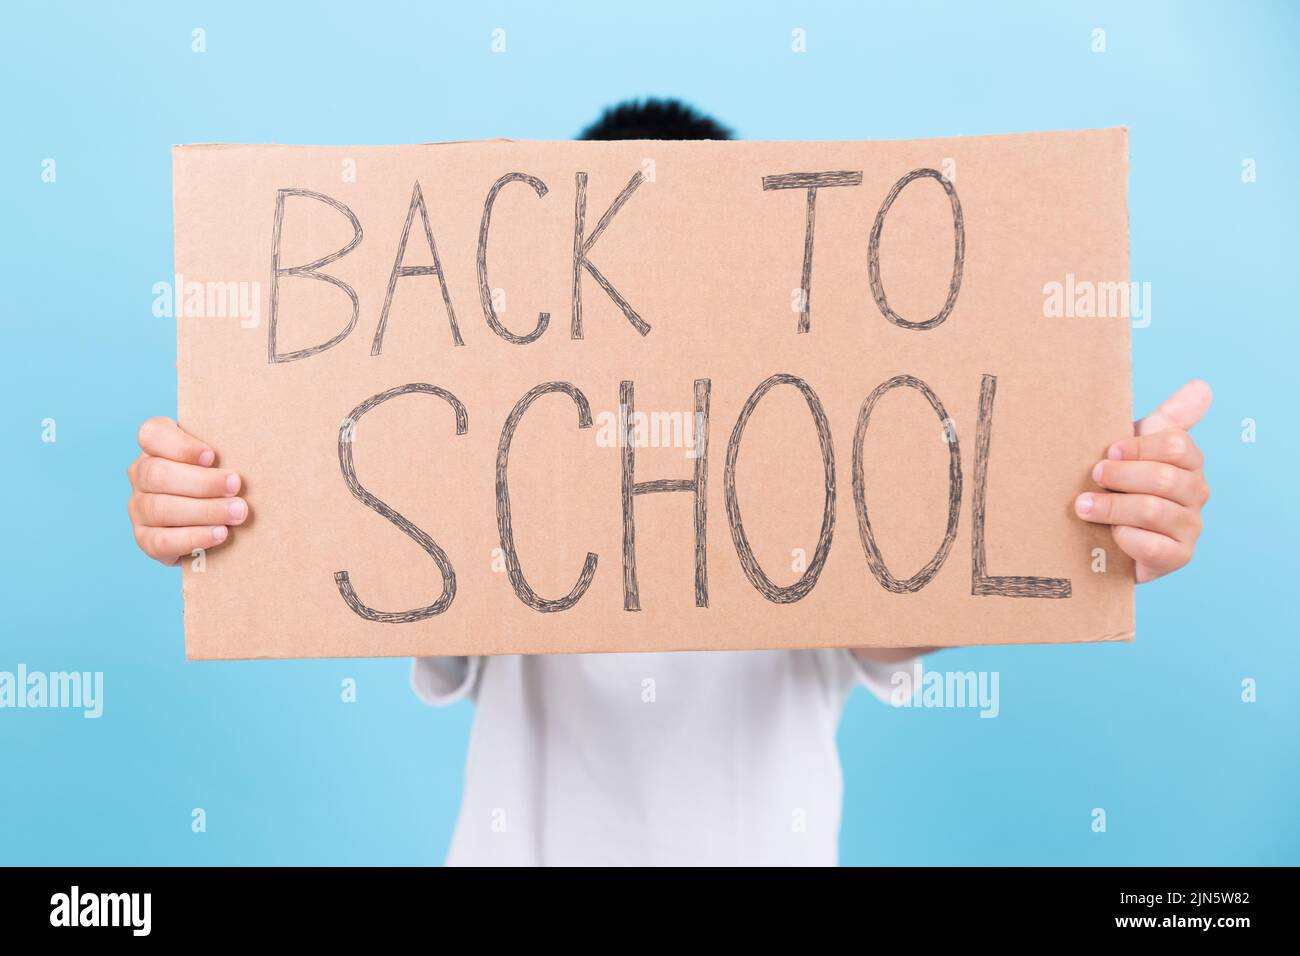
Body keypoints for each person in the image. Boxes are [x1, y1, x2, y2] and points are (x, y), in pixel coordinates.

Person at [125, 99, 1212, 865]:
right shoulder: (488, 466)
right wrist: (216, 508)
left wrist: (1093, 515)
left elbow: (899, 613)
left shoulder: (802, 474)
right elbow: (394, 562)